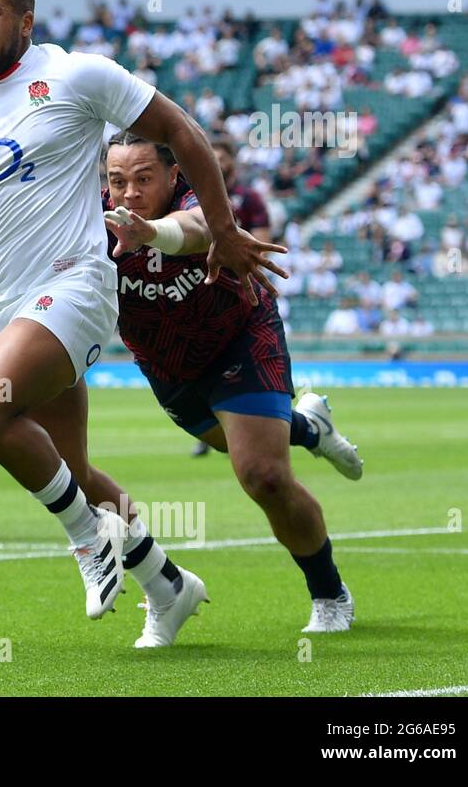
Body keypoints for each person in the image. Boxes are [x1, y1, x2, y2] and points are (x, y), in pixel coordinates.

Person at [0, 0, 273, 643]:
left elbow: (184, 131)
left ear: (24, 22)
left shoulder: (75, 75)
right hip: (8, 306)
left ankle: (87, 540)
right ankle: (168, 585)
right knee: (75, 471)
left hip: (77, 287)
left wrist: (224, 229)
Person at [102, 131, 364, 632]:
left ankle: (329, 592)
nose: (129, 193)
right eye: (118, 181)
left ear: (173, 175)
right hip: (167, 363)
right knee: (239, 447)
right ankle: (308, 427)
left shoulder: (197, 198)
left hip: (238, 335)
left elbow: (195, 229)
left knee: (263, 475)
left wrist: (149, 232)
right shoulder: (92, 215)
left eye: (143, 179)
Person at [191, 139, 274, 456]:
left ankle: (268, 422)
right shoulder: (194, 195)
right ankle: (209, 429)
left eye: (222, 157)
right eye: (212, 156)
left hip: (239, 291)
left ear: (233, 162)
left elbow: (262, 243)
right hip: (202, 289)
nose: (217, 161)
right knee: (200, 361)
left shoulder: (249, 199)